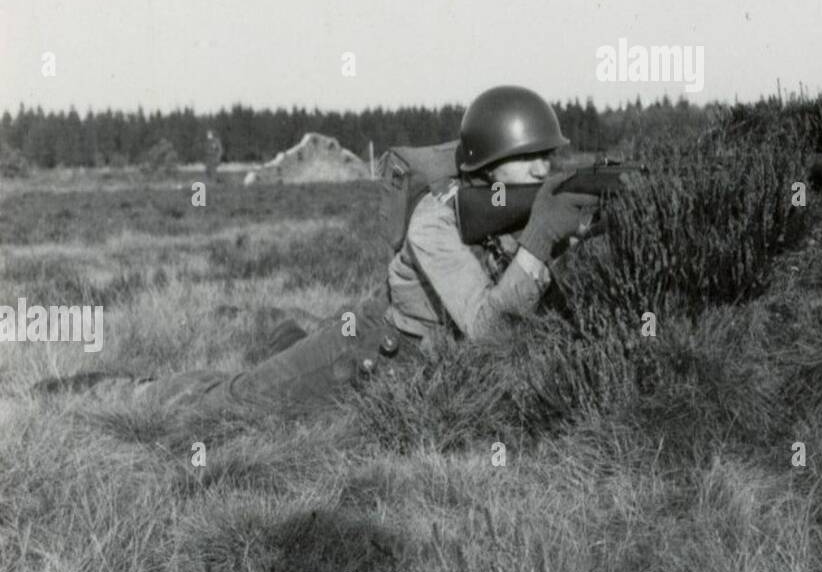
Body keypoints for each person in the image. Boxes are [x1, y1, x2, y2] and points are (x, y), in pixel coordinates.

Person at [42, 87, 599, 415]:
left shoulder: (513, 211)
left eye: (549, 157)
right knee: (233, 408)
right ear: (490, 162)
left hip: (413, 364)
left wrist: (561, 242)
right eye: (531, 159)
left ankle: (288, 332)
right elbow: (488, 330)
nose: (544, 170)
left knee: (273, 368)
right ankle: (115, 392)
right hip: (368, 352)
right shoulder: (438, 217)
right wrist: (540, 243)